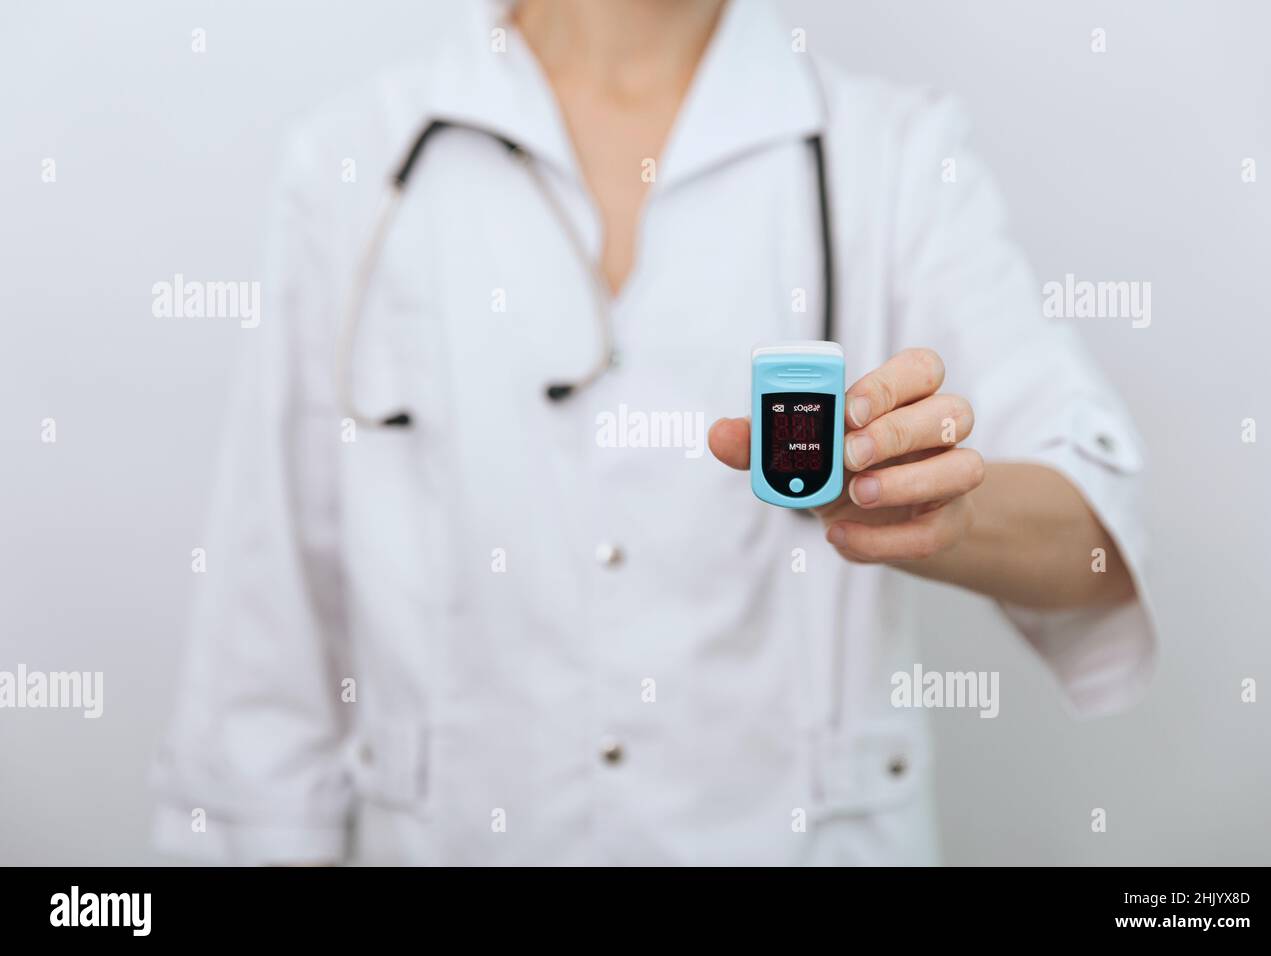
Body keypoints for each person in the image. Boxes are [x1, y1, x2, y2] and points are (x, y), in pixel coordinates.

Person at [152, 0, 1155, 865]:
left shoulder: (890, 153)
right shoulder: (352, 165)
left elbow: (1100, 537)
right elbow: (264, 673)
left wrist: (944, 503)